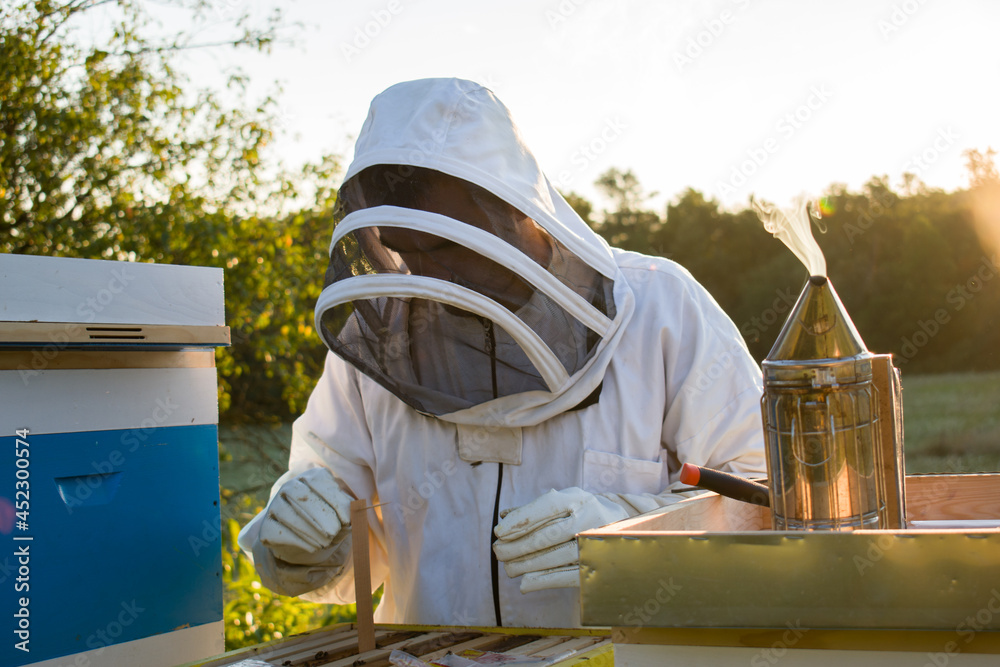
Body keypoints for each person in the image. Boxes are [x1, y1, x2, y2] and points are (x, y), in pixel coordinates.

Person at [238, 77, 766, 628]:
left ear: (512, 209)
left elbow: (764, 499)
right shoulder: (378, 342)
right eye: (402, 248)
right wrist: (305, 544)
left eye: (444, 245)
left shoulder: (662, 307)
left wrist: (634, 535)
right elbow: (349, 540)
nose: (427, 275)